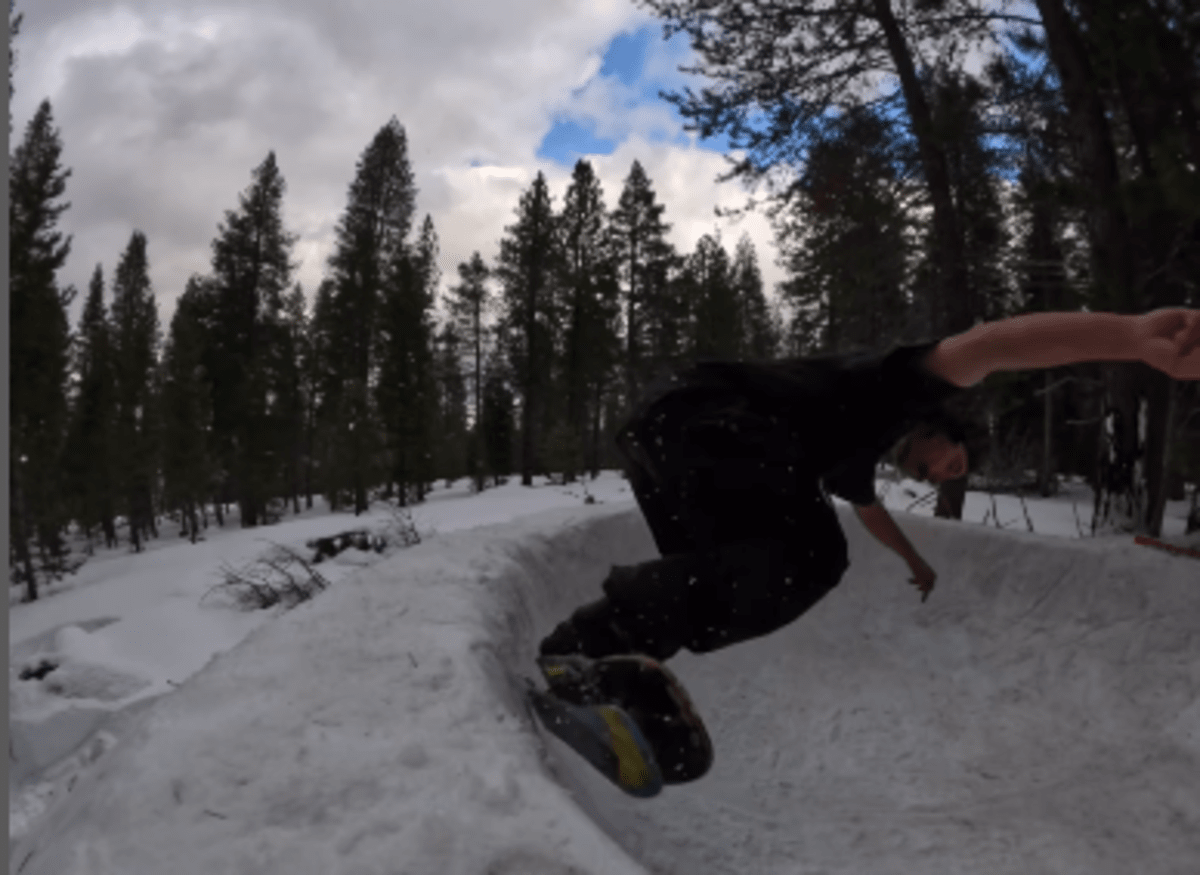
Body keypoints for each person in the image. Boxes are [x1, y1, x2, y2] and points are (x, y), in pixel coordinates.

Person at [538, 309, 1200, 749]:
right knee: (810, 557)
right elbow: (993, 346)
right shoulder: (896, 386)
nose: (944, 475)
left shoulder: (857, 451)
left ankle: (600, 675)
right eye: (954, 461)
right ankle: (589, 640)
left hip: (661, 438)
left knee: (735, 574)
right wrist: (1133, 337)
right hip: (710, 418)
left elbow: (871, 512)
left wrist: (916, 561)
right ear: (940, 426)